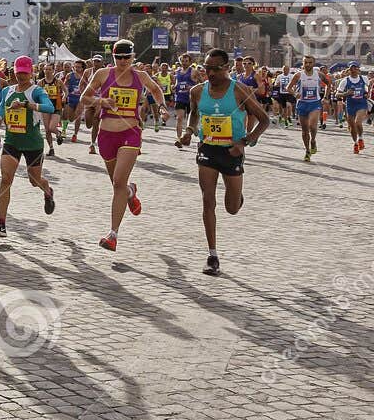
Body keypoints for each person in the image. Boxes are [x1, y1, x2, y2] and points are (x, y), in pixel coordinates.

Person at [177, 49, 269, 276]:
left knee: (232, 208)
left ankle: (237, 198)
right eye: (206, 68)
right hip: (207, 148)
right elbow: (195, 114)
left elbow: (265, 120)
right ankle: (212, 255)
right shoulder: (197, 91)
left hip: (231, 152)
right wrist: (189, 131)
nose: (209, 73)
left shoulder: (240, 90)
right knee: (208, 201)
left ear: (226, 68)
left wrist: (245, 141)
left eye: (215, 69)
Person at [77, 38, 167, 252]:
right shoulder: (102, 74)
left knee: (117, 180)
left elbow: (155, 90)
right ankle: (130, 192)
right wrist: (101, 101)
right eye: (119, 57)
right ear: (113, 57)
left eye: (127, 57)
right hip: (106, 135)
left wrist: (162, 107)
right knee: (117, 185)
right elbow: (84, 98)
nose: (123, 61)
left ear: (133, 56)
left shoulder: (141, 76)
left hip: (131, 133)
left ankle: (113, 234)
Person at [0, 55, 57, 237]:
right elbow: (0, 110)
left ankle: (48, 190)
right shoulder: (7, 91)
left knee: (34, 181)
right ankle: (1, 224)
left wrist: (26, 105)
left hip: (32, 144)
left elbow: (50, 108)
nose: (21, 77)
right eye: (19, 73)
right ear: (13, 72)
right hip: (12, 142)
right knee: (5, 179)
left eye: (25, 73)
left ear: (31, 73)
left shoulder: (36, 91)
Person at [286, 55, 332, 161]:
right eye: (305, 62)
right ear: (303, 63)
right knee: (304, 131)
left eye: (310, 62)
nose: (307, 64)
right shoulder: (298, 75)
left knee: (312, 126)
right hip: (302, 104)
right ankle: (307, 150)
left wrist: (325, 97)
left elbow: (328, 84)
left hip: (314, 103)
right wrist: (295, 93)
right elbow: (288, 87)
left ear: (314, 63)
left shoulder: (319, 74)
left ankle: (313, 141)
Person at [340, 63, 368, 153]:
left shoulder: (364, 78)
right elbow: (337, 94)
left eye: (355, 68)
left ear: (358, 69)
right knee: (352, 127)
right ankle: (355, 143)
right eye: (351, 68)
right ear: (349, 70)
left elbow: (367, 88)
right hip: (350, 105)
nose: (353, 69)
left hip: (361, 104)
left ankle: (360, 139)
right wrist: (346, 93)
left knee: (358, 122)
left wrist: (366, 93)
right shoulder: (345, 80)